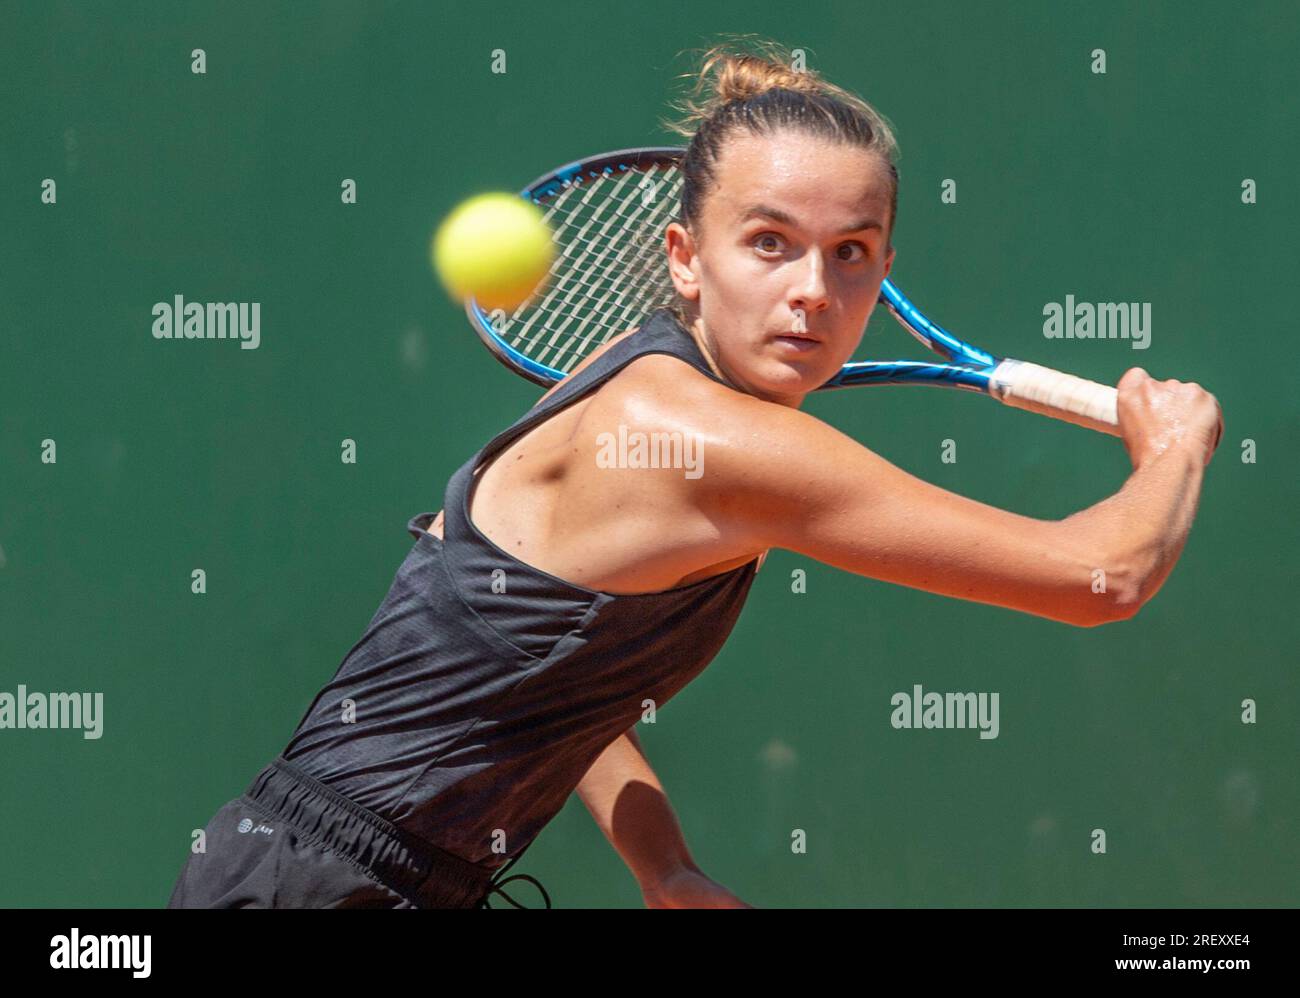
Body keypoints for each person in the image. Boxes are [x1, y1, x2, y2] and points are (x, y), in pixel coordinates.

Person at [167, 37, 1223, 910]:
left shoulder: (629, 381)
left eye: (851, 251)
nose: (814, 288)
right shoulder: (718, 443)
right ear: (685, 255)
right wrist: (1172, 449)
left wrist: (658, 860)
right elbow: (1103, 577)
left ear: (883, 269)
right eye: (770, 242)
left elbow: (546, 682)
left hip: (318, 874)